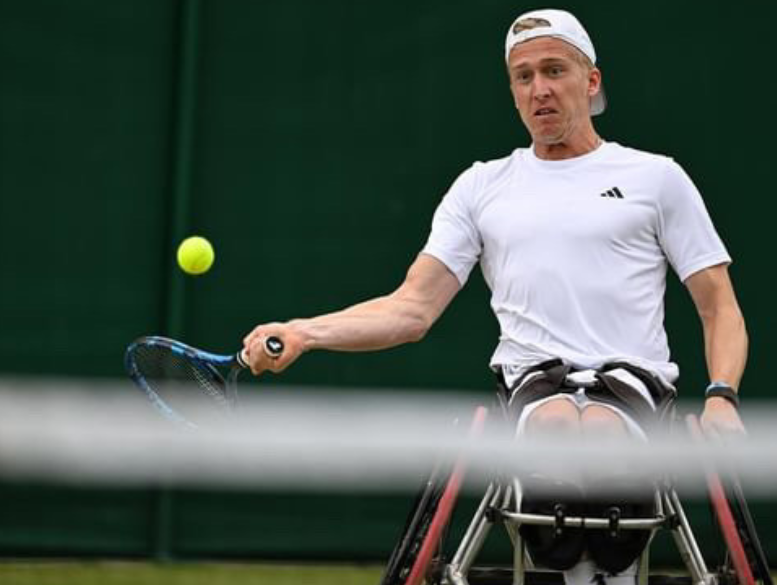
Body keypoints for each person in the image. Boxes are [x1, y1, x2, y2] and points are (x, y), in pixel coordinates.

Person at [243, 8, 747, 584]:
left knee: (603, 434)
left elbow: (719, 308)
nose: (540, 90)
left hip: (634, 383)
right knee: (557, 426)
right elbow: (411, 309)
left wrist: (721, 398)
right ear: (512, 91)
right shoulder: (482, 185)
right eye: (524, 76)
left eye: (554, 70)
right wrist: (306, 332)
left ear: (591, 81)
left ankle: (607, 558)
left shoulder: (657, 178)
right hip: (533, 383)